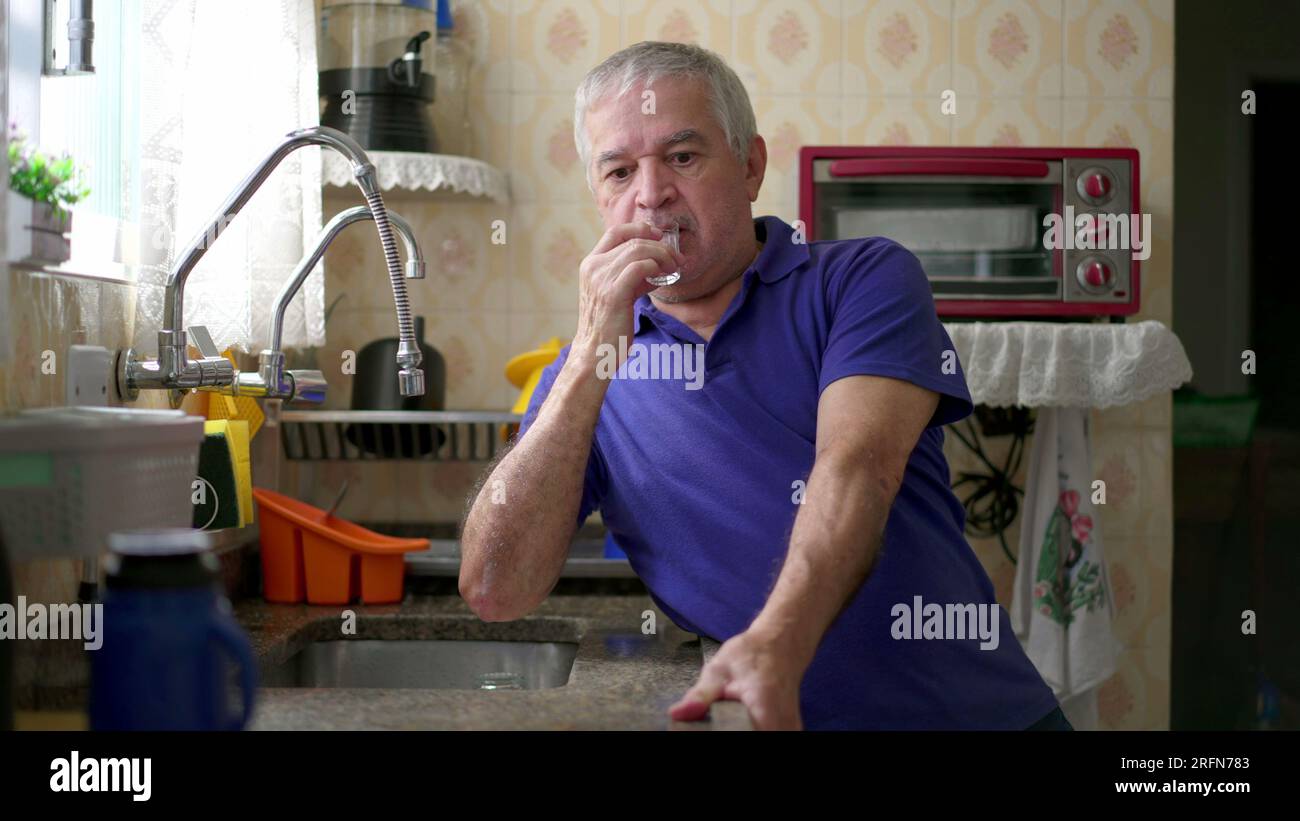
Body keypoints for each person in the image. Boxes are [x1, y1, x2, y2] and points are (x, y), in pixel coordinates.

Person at [459, 40, 1065, 731]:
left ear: (750, 165)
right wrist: (588, 354)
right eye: (620, 170)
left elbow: (858, 467)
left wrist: (776, 645)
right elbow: (492, 588)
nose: (651, 193)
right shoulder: (582, 377)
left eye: (682, 157)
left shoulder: (862, 280)